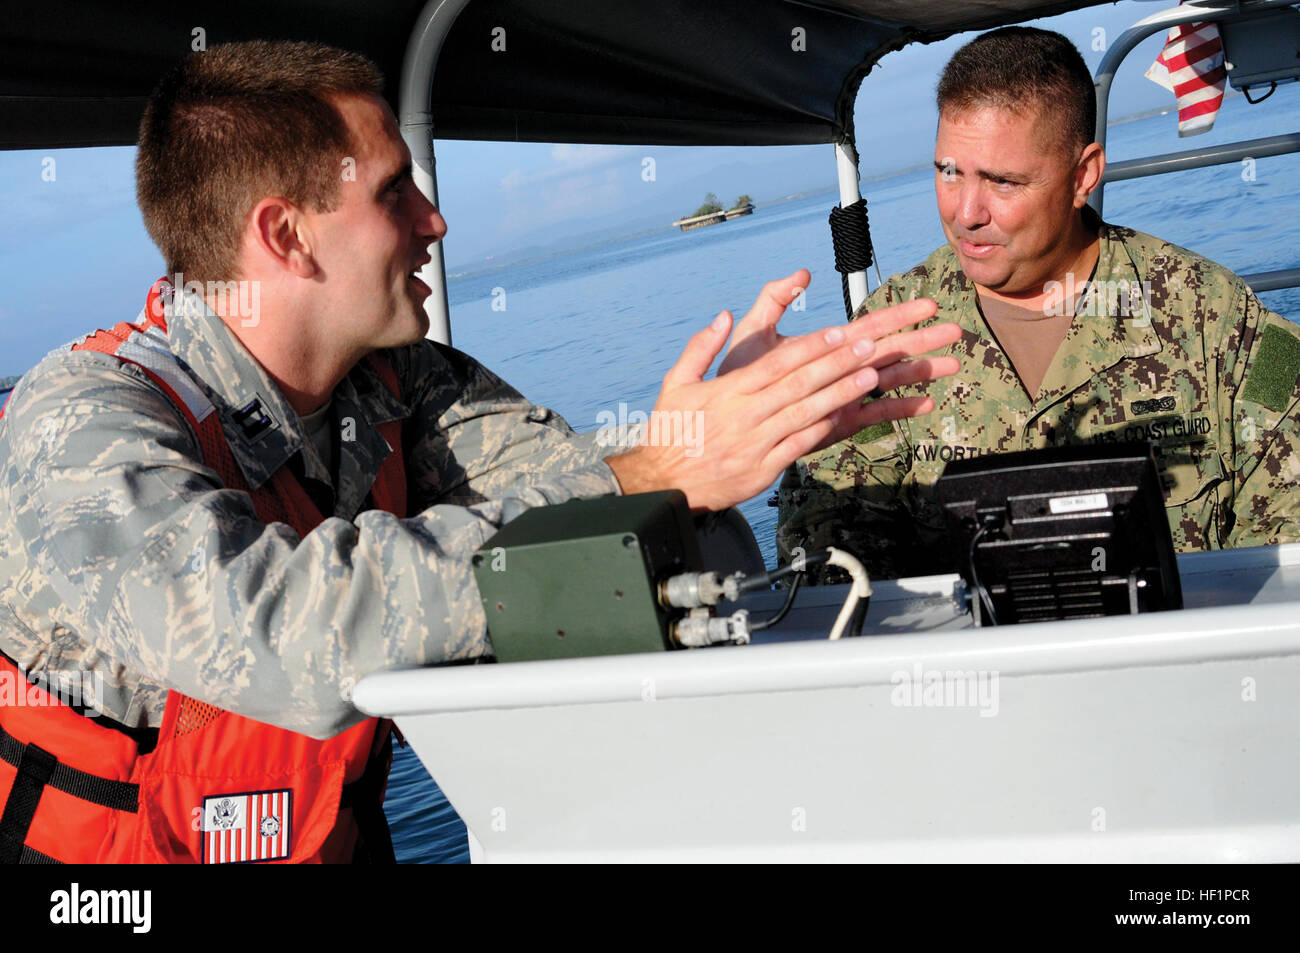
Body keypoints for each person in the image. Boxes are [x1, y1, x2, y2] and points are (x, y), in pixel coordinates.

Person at [0, 41, 960, 863]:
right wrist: (656, 470)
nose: (435, 220)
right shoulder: (81, 421)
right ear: (285, 236)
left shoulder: (399, 381)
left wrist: (706, 430)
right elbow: (269, 634)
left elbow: (574, 488)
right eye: (393, 192)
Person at [777, 26, 1300, 584]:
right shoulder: (889, 337)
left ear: (1083, 177)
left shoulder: (1212, 318)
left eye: (1002, 181)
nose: (967, 212)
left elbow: (1284, 549)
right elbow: (827, 551)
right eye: (948, 172)